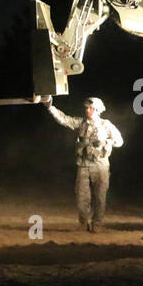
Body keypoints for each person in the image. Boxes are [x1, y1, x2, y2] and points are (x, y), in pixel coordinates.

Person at [40, 94, 123, 232]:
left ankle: (97, 224)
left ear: (97, 110)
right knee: (81, 197)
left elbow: (120, 141)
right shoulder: (81, 123)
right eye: (87, 108)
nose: (87, 110)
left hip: (100, 164)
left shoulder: (106, 125)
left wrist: (106, 141)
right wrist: (50, 107)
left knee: (100, 197)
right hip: (84, 164)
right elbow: (64, 119)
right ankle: (84, 221)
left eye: (90, 108)